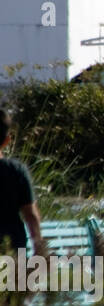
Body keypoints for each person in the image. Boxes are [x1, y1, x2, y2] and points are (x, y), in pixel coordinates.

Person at [0, 110, 44, 258]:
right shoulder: (16, 171)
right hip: (12, 249)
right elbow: (30, 214)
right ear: (7, 141)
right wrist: (39, 249)